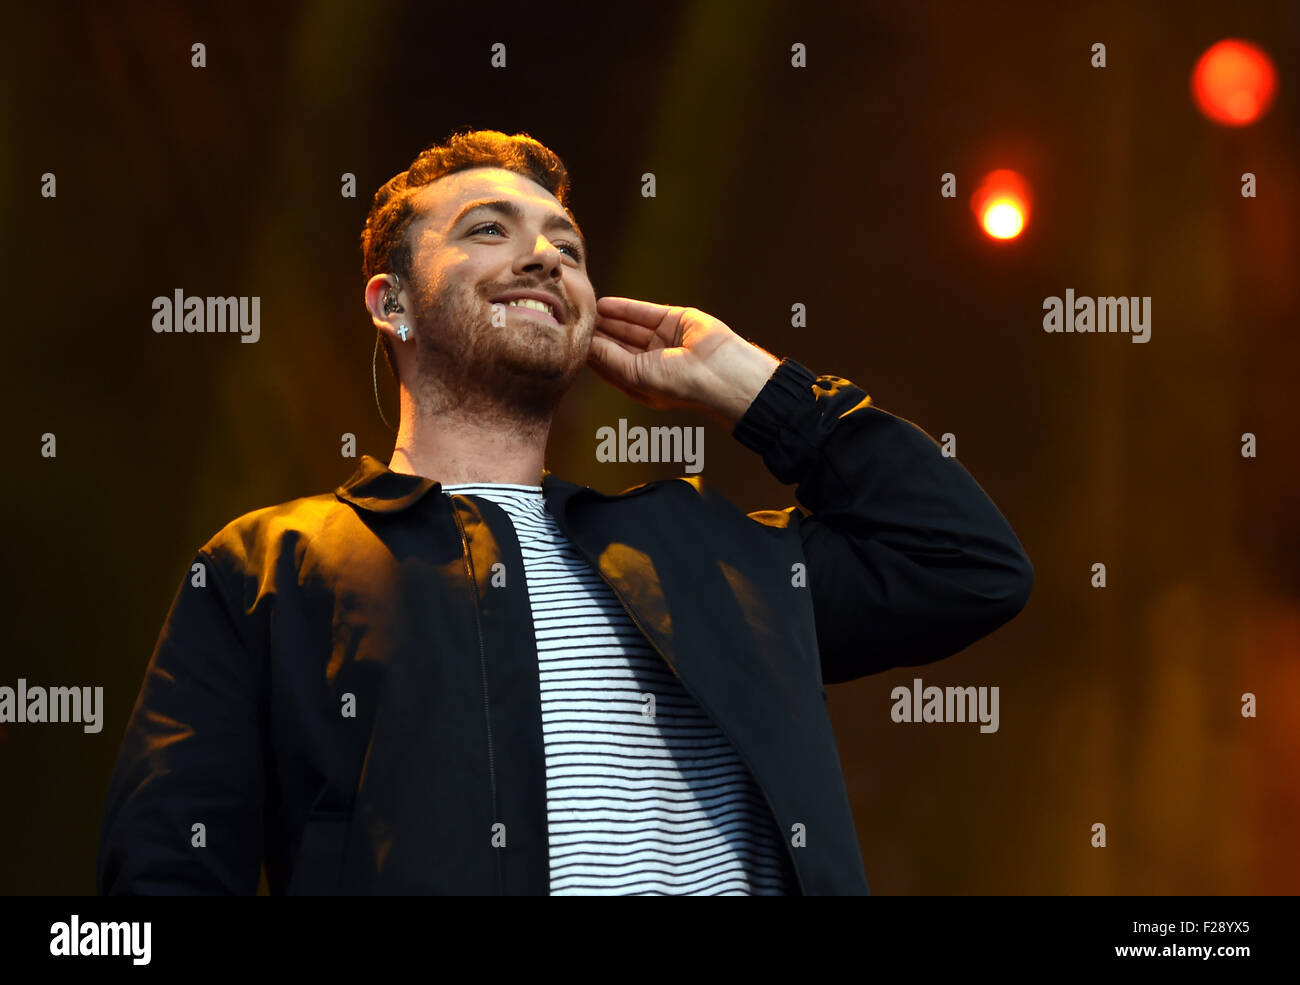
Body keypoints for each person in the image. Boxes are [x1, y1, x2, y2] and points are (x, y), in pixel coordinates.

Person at [97, 129, 1033, 896]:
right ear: (391, 304)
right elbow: (157, 887)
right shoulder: (271, 564)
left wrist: (756, 388)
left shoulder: (700, 550)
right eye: (489, 231)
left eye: (568, 246)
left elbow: (965, 565)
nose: (543, 255)